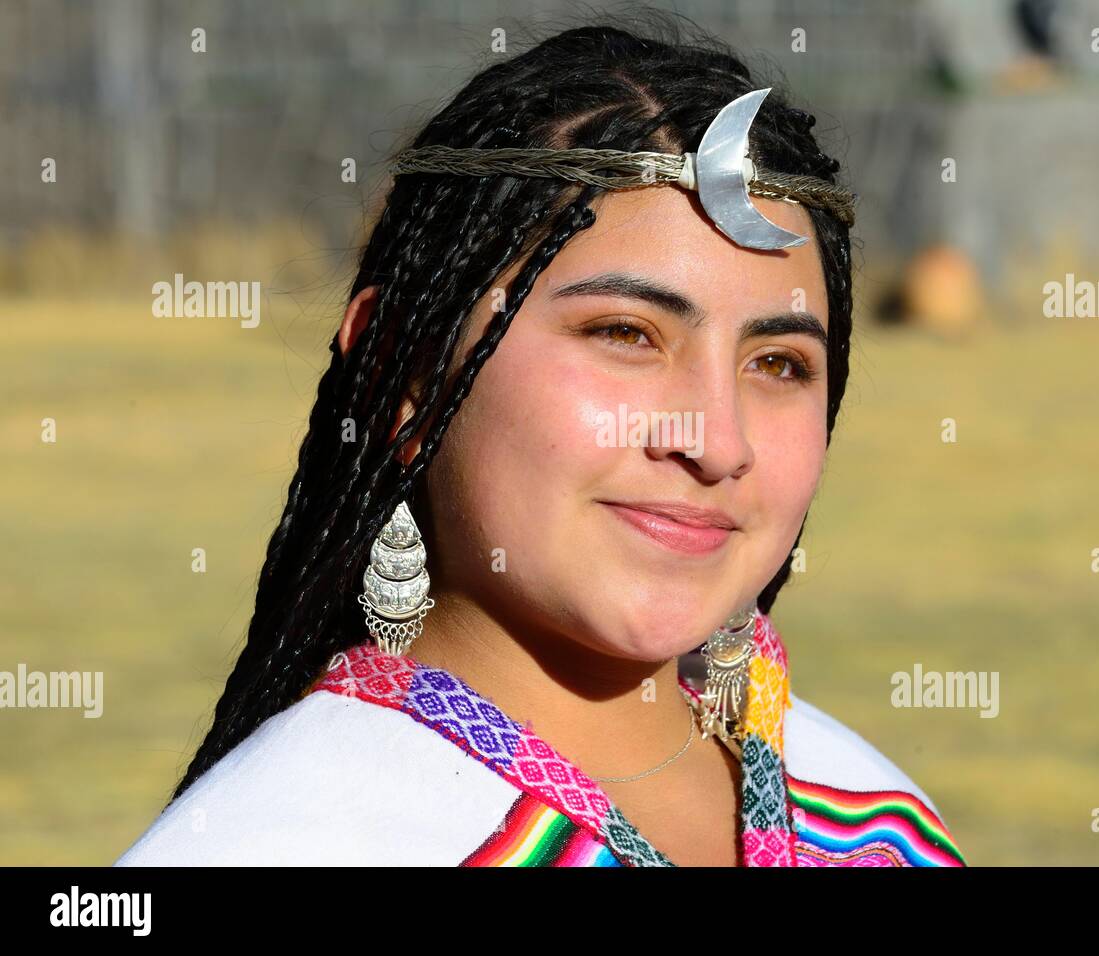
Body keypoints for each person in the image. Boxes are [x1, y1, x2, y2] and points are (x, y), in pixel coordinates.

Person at [115, 15, 966, 867]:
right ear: (402, 376)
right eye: (627, 334)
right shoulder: (283, 842)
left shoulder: (875, 818)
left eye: (779, 362)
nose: (714, 442)